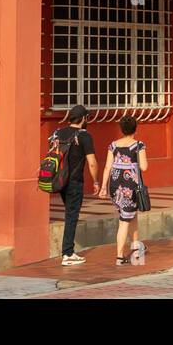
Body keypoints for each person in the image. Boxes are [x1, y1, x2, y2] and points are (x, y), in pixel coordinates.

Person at [98, 116, 148, 266]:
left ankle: (136, 247)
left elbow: (107, 167)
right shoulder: (138, 145)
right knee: (124, 221)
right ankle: (119, 256)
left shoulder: (113, 145)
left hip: (114, 187)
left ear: (121, 129)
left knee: (130, 216)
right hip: (129, 188)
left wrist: (103, 188)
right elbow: (144, 167)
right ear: (135, 128)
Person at [52, 105, 99, 267]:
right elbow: (92, 163)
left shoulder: (58, 133)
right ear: (83, 118)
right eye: (87, 117)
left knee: (69, 213)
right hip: (74, 182)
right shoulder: (85, 136)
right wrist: (96, 181)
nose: (88, 120)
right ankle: (68, 253)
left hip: (60, 180)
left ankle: (68, 251)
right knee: (72, 215)